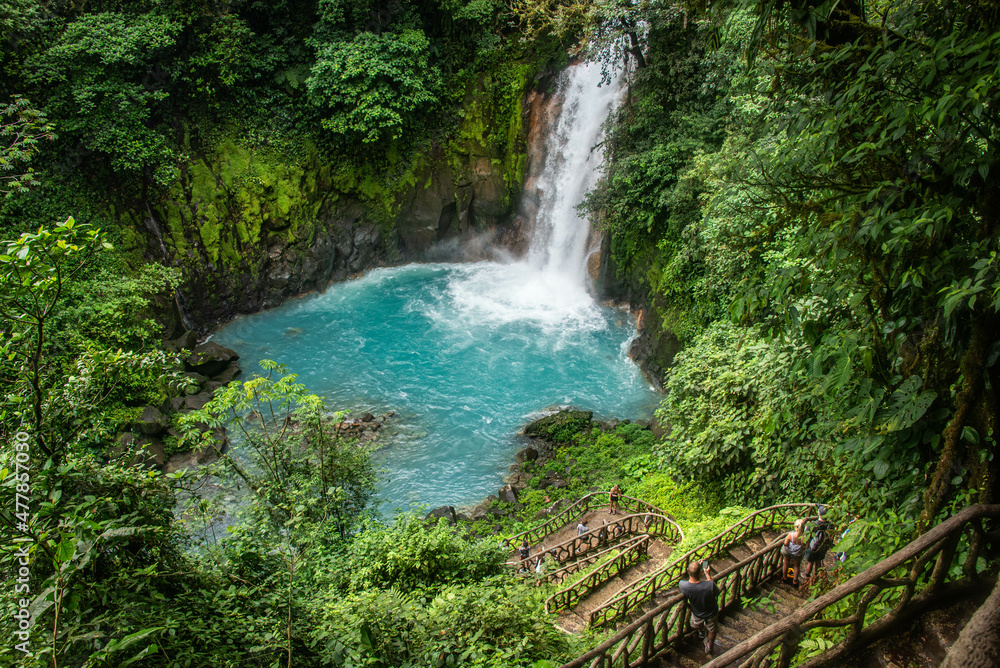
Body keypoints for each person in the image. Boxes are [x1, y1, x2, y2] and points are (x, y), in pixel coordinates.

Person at [679, 560, 720, 655]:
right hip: (711, 612)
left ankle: (701, 633)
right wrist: (708, 575)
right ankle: (709, 646)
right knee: (712, 629)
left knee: (698, 624)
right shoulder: (709, 585)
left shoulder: (683, 585)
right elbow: (717, 592)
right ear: (701, 572)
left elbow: (687, 581)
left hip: (697, 612)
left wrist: (694, 567)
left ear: (687, 570)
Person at [802, 506, 835, 583]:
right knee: (818, 562)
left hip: (812, 547)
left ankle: (807, 577)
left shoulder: (813, 524)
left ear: (819, 513)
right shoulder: (830, 525)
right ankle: (815, 578)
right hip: (822, 547)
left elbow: (806, 536)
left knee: (810, 562)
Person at [781, 518, 807, 586]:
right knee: (796, 566)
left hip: (788, 551)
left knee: (786, 563)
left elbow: (785, 543)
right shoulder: (804, 537)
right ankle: (795, 581)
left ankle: (784, 577)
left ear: (795, 526)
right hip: (797, 553)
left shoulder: (791, 535)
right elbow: (806, 547)